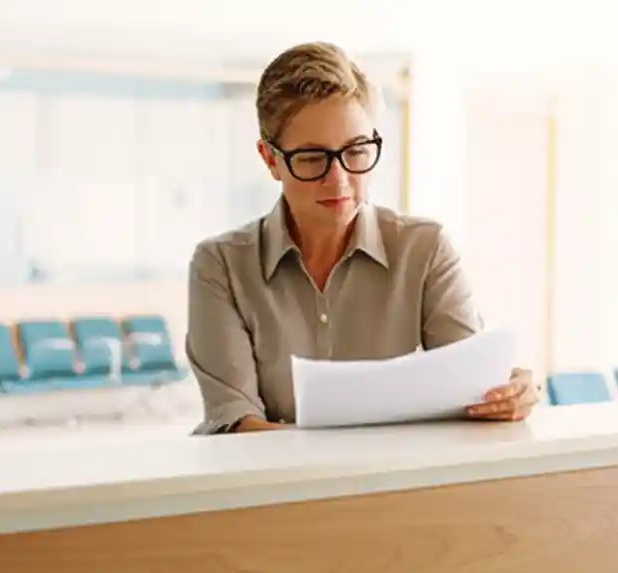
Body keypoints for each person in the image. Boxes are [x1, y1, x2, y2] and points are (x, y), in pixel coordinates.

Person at [186, 42, 539, 434]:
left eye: (356, 151)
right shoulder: (220, 266)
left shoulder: (425, 249)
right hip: (276, 492)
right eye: (312, 158)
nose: (338, 180)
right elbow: (235, 425)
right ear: (270, 160)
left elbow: (470, 388)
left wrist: (509, 392)